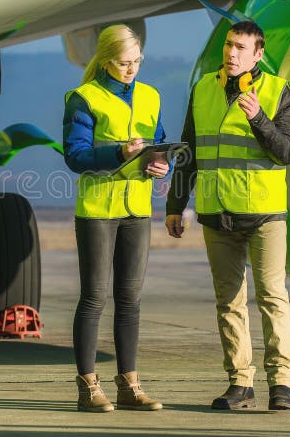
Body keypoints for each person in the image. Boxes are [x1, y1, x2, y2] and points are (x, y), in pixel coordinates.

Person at [165, 20, 290, 411]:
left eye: (241, 47)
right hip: (216, 212)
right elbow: (188, 150)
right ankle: (240, 383)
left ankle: (282, 384)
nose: (232, 53)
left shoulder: (276, 91)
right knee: (229, 302)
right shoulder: (203, 89)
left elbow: (287, 152)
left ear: (258, 54)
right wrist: (176, 205)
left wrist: (259, 118)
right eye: (228, 45)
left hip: (263, 214)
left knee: (273, 298)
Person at [63, 24, 167, 413]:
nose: (132, 69)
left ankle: (129, 385)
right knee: (94, 298)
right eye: (124, 63)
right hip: (97, 211)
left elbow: (159, 142)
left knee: (130, 300)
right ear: (106, 60)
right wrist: (119, 154)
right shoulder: (82, 98)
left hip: (137, 209)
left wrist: (161, 164)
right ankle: (88, 387)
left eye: (137, 61)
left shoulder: (151, 96)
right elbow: (75, 156)